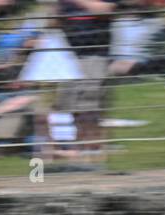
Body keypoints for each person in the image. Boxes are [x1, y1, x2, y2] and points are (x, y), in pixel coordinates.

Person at [55, 0, 113, 158]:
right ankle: (80, 146)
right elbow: (56, 19)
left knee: (89, 102)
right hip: (68, 55)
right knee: (69, 103)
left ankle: (94, 146)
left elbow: (106, 10)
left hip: (93, 53)